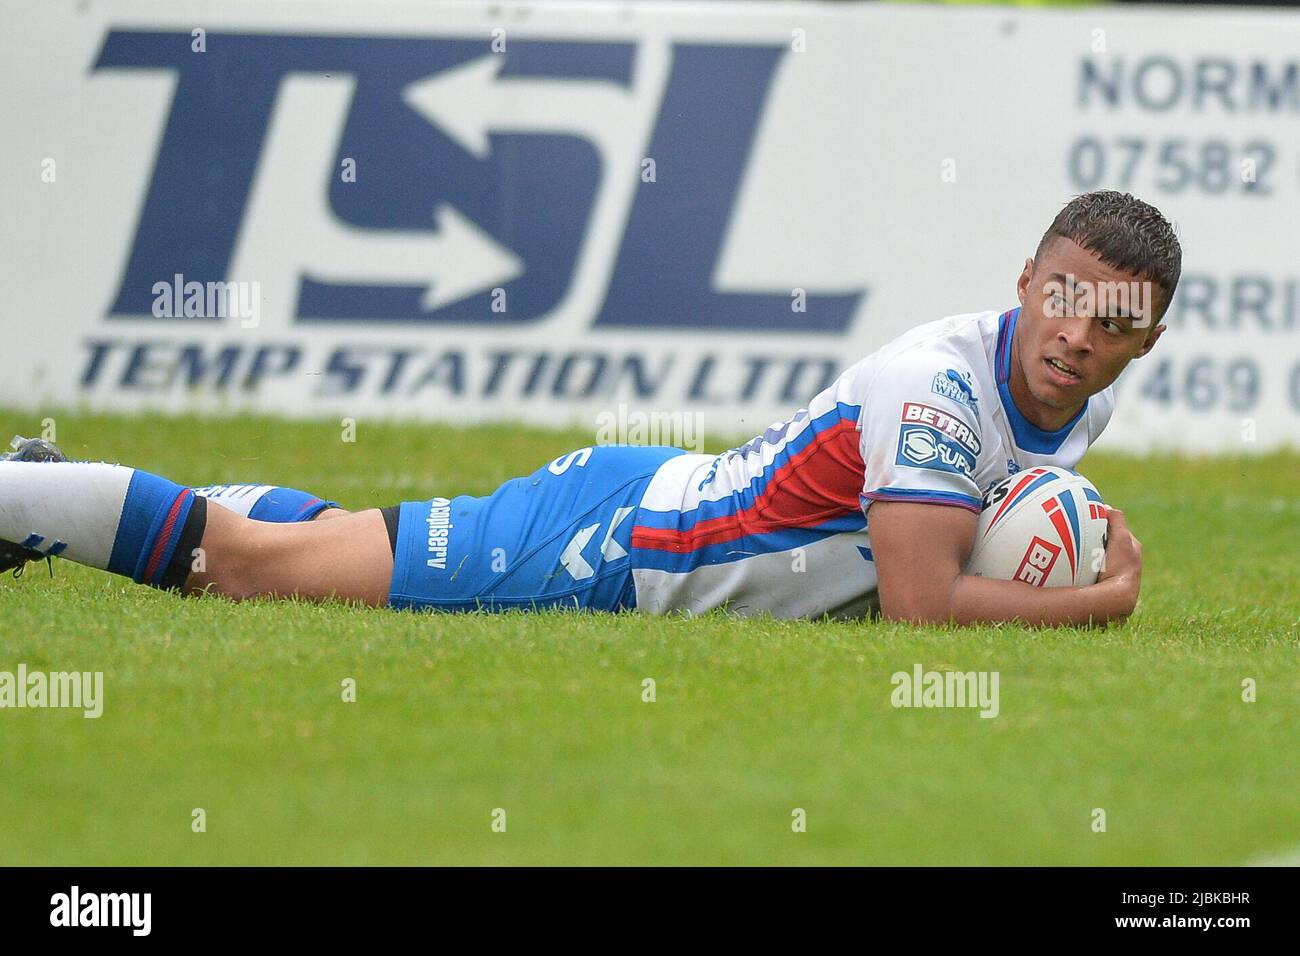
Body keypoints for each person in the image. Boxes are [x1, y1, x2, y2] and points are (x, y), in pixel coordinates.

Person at [0, 190, 1178, 625]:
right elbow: (922, 603)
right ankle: (22, 496)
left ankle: (47, 485)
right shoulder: (942, 385)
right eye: (1062, 298)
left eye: (1112, 322)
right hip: (617, 553)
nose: (1078, 335)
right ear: (1025, 279)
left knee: (336, 537)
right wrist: (1099, 594)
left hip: (647, 514)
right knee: (248, 566)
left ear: (1145, 339)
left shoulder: (1076, 406)